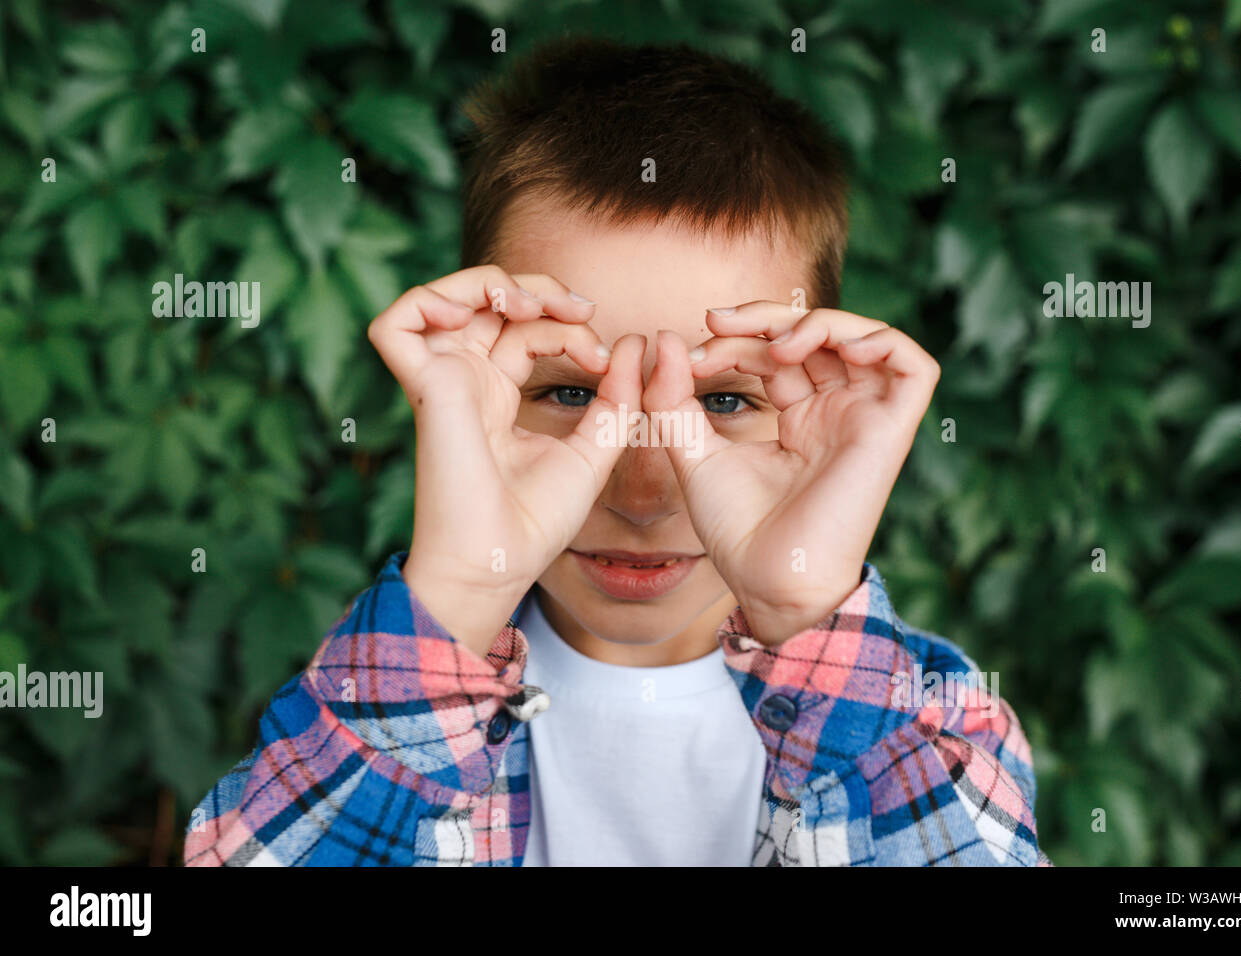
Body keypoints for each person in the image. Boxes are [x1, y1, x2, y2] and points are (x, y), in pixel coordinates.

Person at [184, 36, 1050, 867]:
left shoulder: (930, 721)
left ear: (814, 402)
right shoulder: (383, 702)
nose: (643, 492)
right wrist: (462, 591)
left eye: (722, 401)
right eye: (571, 394)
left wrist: (801, 606)